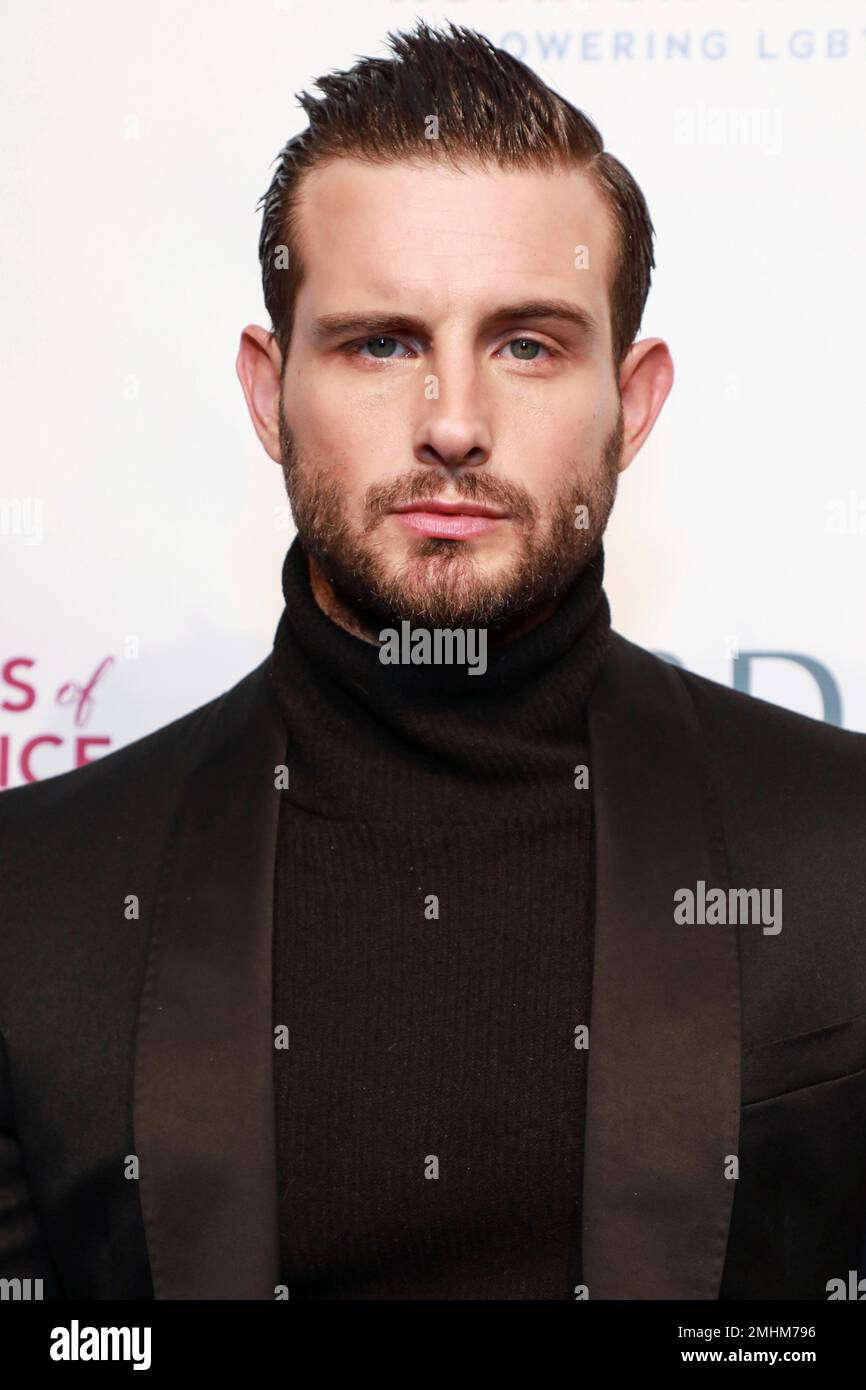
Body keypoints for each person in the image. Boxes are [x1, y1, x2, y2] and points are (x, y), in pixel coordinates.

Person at [2, 20, 865, 1303]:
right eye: (380, 342)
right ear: (266, 392)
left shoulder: (841, 844)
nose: (452, 423)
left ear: (631, 404)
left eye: (526, 343)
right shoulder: (33, 902)